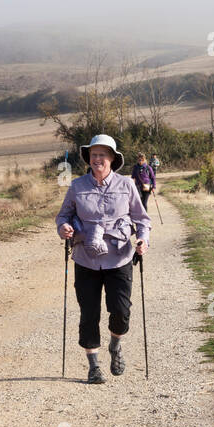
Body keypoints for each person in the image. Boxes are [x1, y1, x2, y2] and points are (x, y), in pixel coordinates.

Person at [55, 134, 152, 384]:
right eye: (93, 154)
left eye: (102, 154)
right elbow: (62, 216)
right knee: (89, 313)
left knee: (121, 312)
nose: (97, 159)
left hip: (119, 258)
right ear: (89, 158)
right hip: (85, 258)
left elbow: (142, 220)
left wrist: (142, 240)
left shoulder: (126, 185)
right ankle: (93, 365)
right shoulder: (77, 186)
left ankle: (115, 345)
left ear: (112, 158)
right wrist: (64, 228)